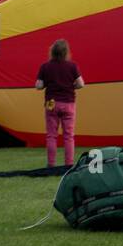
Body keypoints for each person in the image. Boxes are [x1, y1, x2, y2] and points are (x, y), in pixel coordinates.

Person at [36, 39, 84, 167]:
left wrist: (48, 83)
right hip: (68, 103)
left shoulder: (45, 66)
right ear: (66, 52)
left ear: (52, 51)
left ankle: (51, 164)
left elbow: (39, 85)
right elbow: (81, 84)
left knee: (51, 135)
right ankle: (68, 164)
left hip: (51, 102)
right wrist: (70, 85)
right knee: (68, 136)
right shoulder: (72, 66)